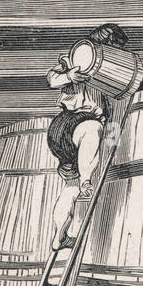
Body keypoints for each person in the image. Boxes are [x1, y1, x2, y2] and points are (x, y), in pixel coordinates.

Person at [45, 24, 129, 249]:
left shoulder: (109, 71)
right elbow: (52, 79)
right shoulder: (76, 58)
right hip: (71, 122)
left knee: (69, 188)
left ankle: (59, 236)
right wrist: (69, 75)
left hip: (69, 135)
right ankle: (87, 181)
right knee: (92, 129)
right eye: (114, 46)